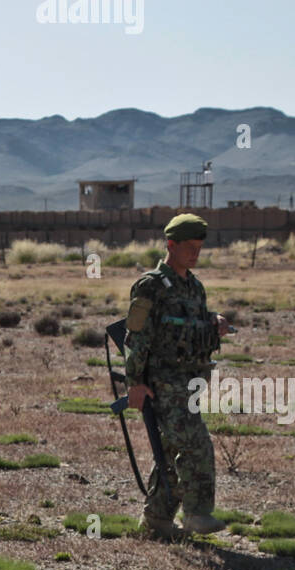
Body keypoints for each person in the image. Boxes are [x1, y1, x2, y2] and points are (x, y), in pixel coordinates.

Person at [123, 213, 233, 539]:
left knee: (170, 450)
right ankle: (198, 514)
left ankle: (156, 523)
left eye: (199, 247)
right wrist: (135, 384)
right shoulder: (150, 285)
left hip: (191, 381)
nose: (195, 254)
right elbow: (137, 337)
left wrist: (216, 321)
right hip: (162, 383)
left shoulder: (194, 287)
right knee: (196, 444)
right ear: (170, 245)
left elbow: (195, 319)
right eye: (189, 247)